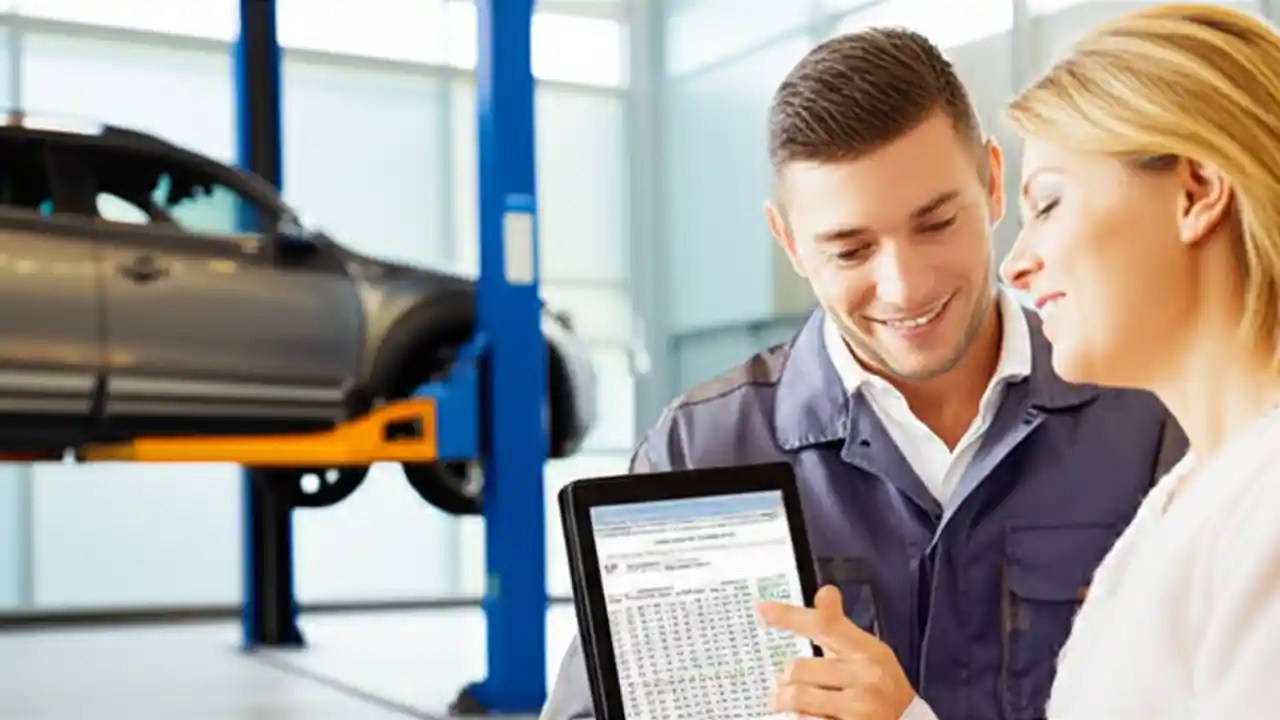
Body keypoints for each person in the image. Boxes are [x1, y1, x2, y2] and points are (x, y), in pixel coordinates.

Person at [541, 26, 1186, 720]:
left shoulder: (1146, 419)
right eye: (851, 250)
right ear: (789, 241)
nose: (905, 287)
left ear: (994, 183)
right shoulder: (699, 450)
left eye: (936, 224)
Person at [759, 3, 1280, 719]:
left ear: (1194, 193)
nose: (1021, 261)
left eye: (1050, 203)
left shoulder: (1247, 498)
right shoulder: (1187, 494)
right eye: (850, 249)